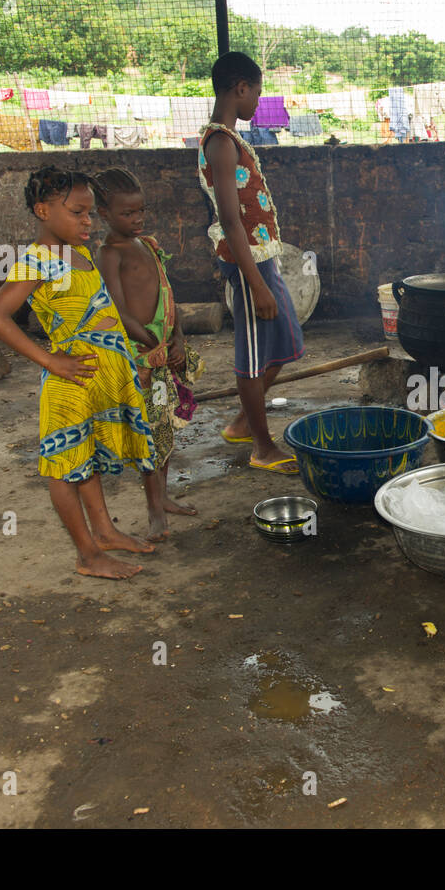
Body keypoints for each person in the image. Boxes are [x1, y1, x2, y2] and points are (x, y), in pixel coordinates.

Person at [0, 166, 156, 580]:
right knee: (65, 469)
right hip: (69, 386)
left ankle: (105, 532)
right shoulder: (38, 260)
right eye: (77, 212)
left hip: (96, 379)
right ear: (43, 211)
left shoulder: (76, 255)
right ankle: (87, 554)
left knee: (87, 461)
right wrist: (50, 360)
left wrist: (129, 359)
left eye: (91, 213)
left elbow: (103, 313)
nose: (87, 221)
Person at [200, 51, 304, 473]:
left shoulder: (228, 137)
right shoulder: (221, 142)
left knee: (287, 342)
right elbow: (229, 220)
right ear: (240, 87)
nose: (258, 104)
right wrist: (256, 284)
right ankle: (262, 447)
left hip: (261, 259)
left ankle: (245, 420)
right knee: (256, 354)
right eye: (256, 94)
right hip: (248, 267)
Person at [93, 166, 205, 541]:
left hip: (164, 352)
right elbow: (118, 312)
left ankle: (164, 497)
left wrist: (176, 339)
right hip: (142, 358)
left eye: (141, 210)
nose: (137, 218)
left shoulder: (148, 245)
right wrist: (155, 346)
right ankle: (154, 511)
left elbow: (167, 296)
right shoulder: (109, 254)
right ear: (104, 214)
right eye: (127, 213)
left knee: (165, 426)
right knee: (148, 433)